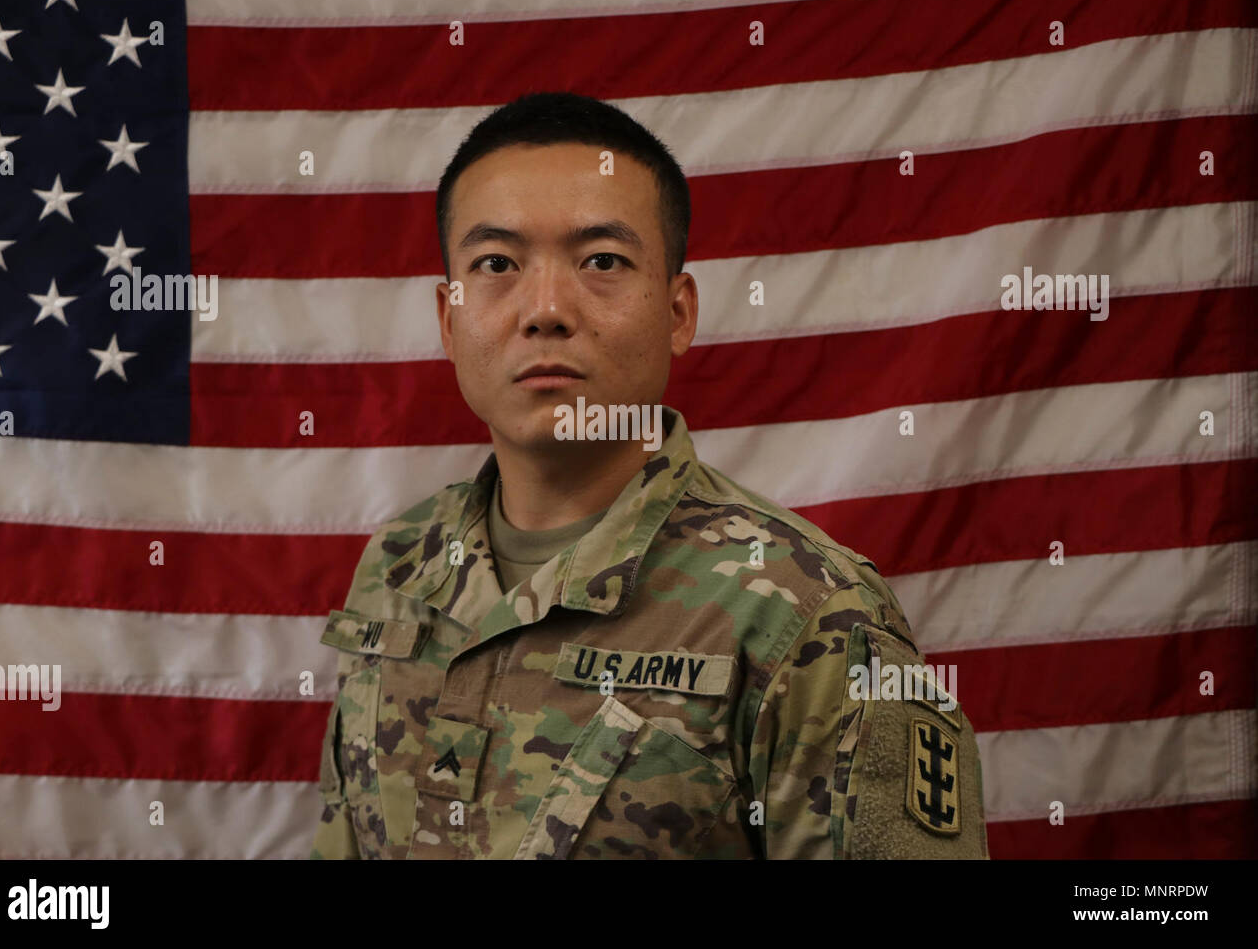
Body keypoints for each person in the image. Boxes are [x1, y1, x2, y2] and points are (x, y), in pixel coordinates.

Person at [309, 91, 989, 859]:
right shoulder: (398, 563)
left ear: (678, 313)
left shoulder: (812, 618)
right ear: (447, 319)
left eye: (602, 261)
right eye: (496, 264)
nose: (545, 309)